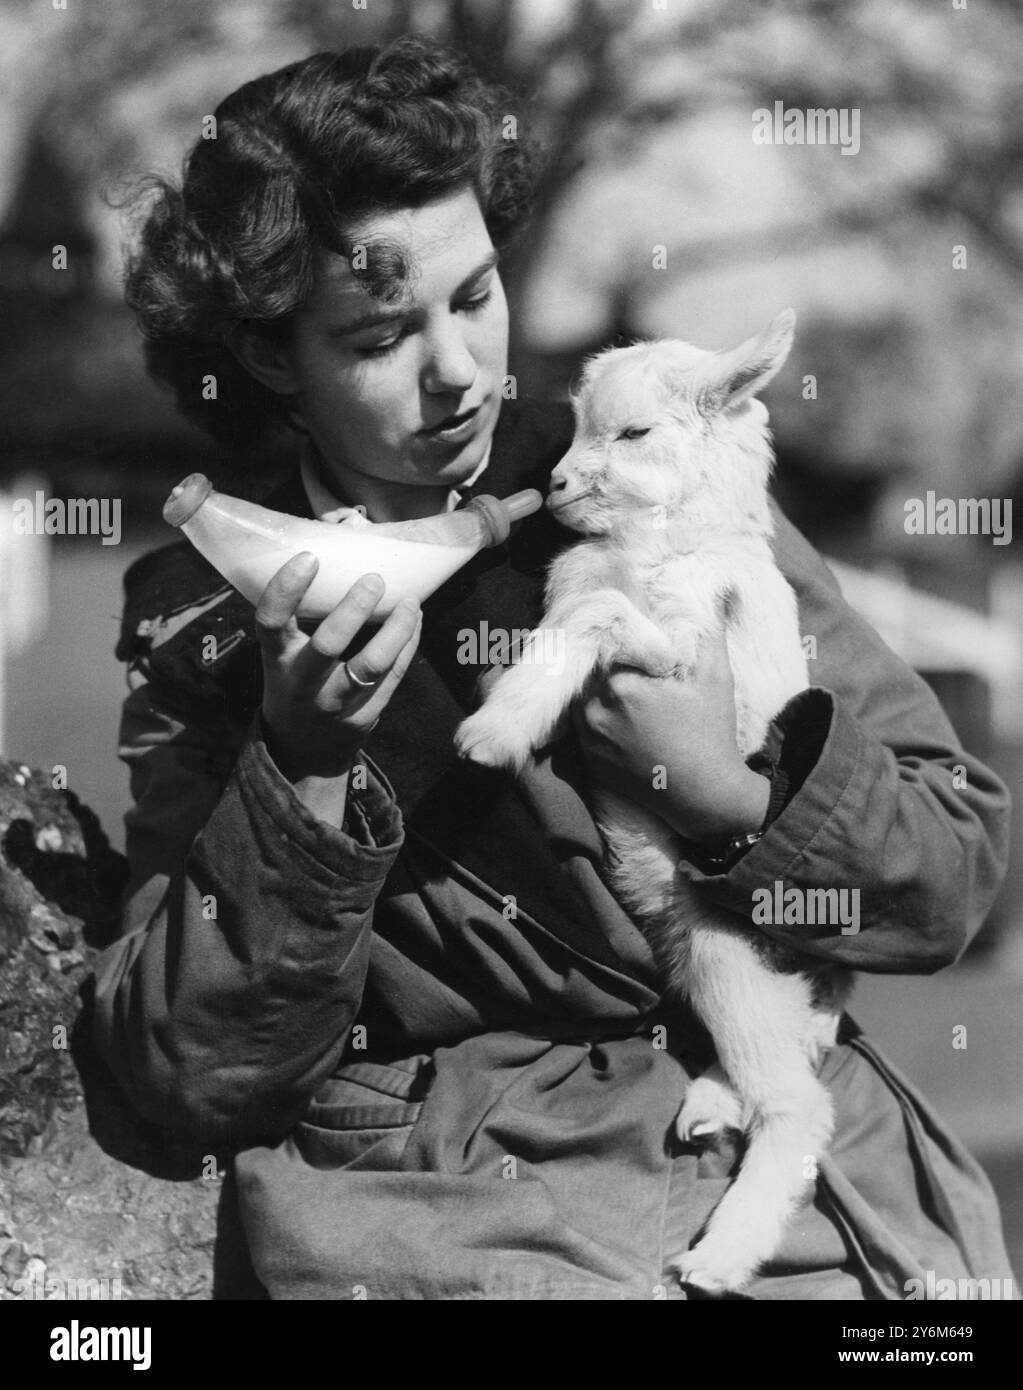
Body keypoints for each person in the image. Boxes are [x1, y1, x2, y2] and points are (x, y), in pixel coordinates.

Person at [93, 35, 1015, 1300]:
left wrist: (734, 795)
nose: (459, 373)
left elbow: (953, 873)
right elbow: (186, 1070)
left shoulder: (647, 478)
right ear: (268, 355)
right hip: (462, 1219)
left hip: (804, 1187)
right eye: (378, 334)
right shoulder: (211, 619)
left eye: (475, 297)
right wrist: (300, 778)